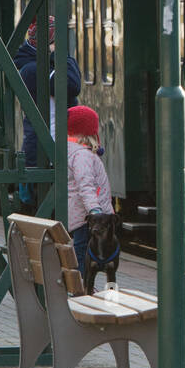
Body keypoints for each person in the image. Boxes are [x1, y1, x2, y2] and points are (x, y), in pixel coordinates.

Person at [14, 17, 81, 211]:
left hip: (45, 151)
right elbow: (72, 84)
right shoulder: (34, 70)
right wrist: (63, 56)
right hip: (46, 153)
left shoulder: (32, 65)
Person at [65, 105, 112, 276]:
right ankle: (82, 290)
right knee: (83, 255)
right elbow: (86, 186)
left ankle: (83, 288)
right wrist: (96, 211)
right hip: (88, 219)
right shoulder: (82, 156)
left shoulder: (75, 153)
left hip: (83, 217)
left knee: (83, 254)